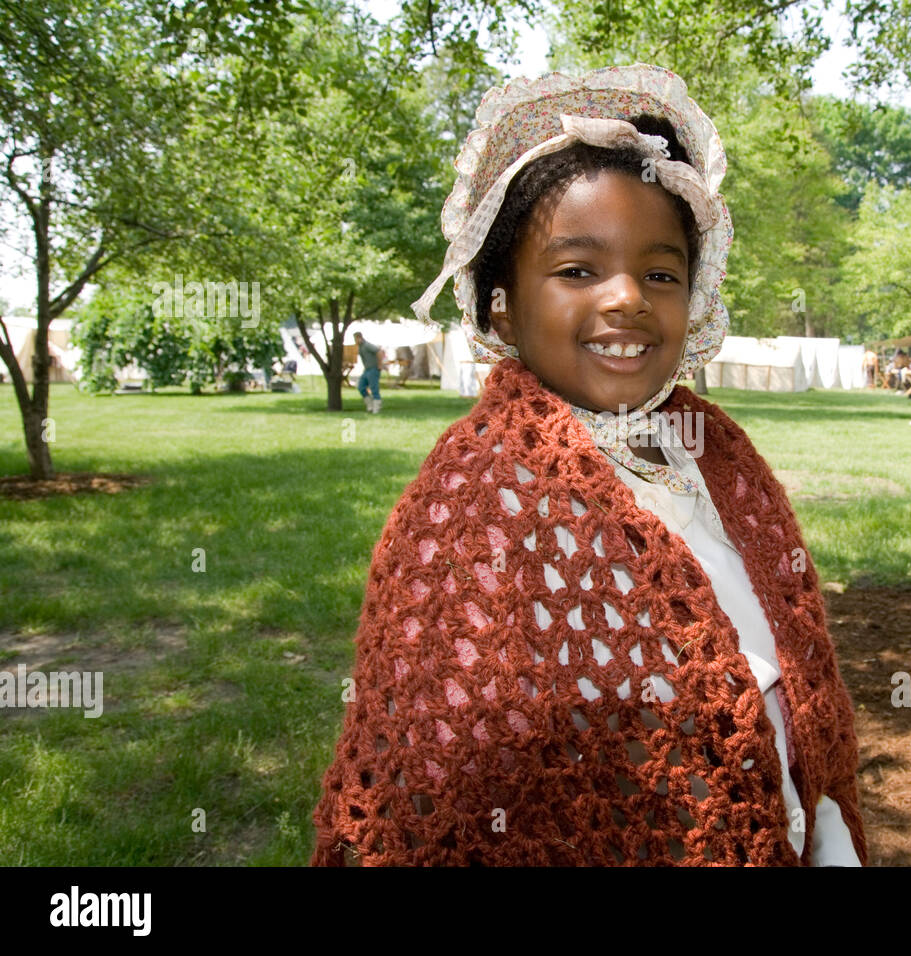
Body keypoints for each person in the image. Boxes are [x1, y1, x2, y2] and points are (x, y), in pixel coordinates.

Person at [309, 64, 868, 867]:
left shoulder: (719, 461)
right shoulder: (476, 505)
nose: (627, 299)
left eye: (660, 273)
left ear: (696, 293)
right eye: (578, 270)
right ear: (500, 298)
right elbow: (430, 792)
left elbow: (799, 705)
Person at [353, 331, 383, 413]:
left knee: (374, 388)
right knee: (361, 387)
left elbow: (379, 352)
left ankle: (377, 407)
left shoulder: (367, 345)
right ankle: (370, 405)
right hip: (367, 370)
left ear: (359, 338)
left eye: (355, 339)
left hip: (373, 369)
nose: (355, 341)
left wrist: (380, 365)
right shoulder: (360, 347)